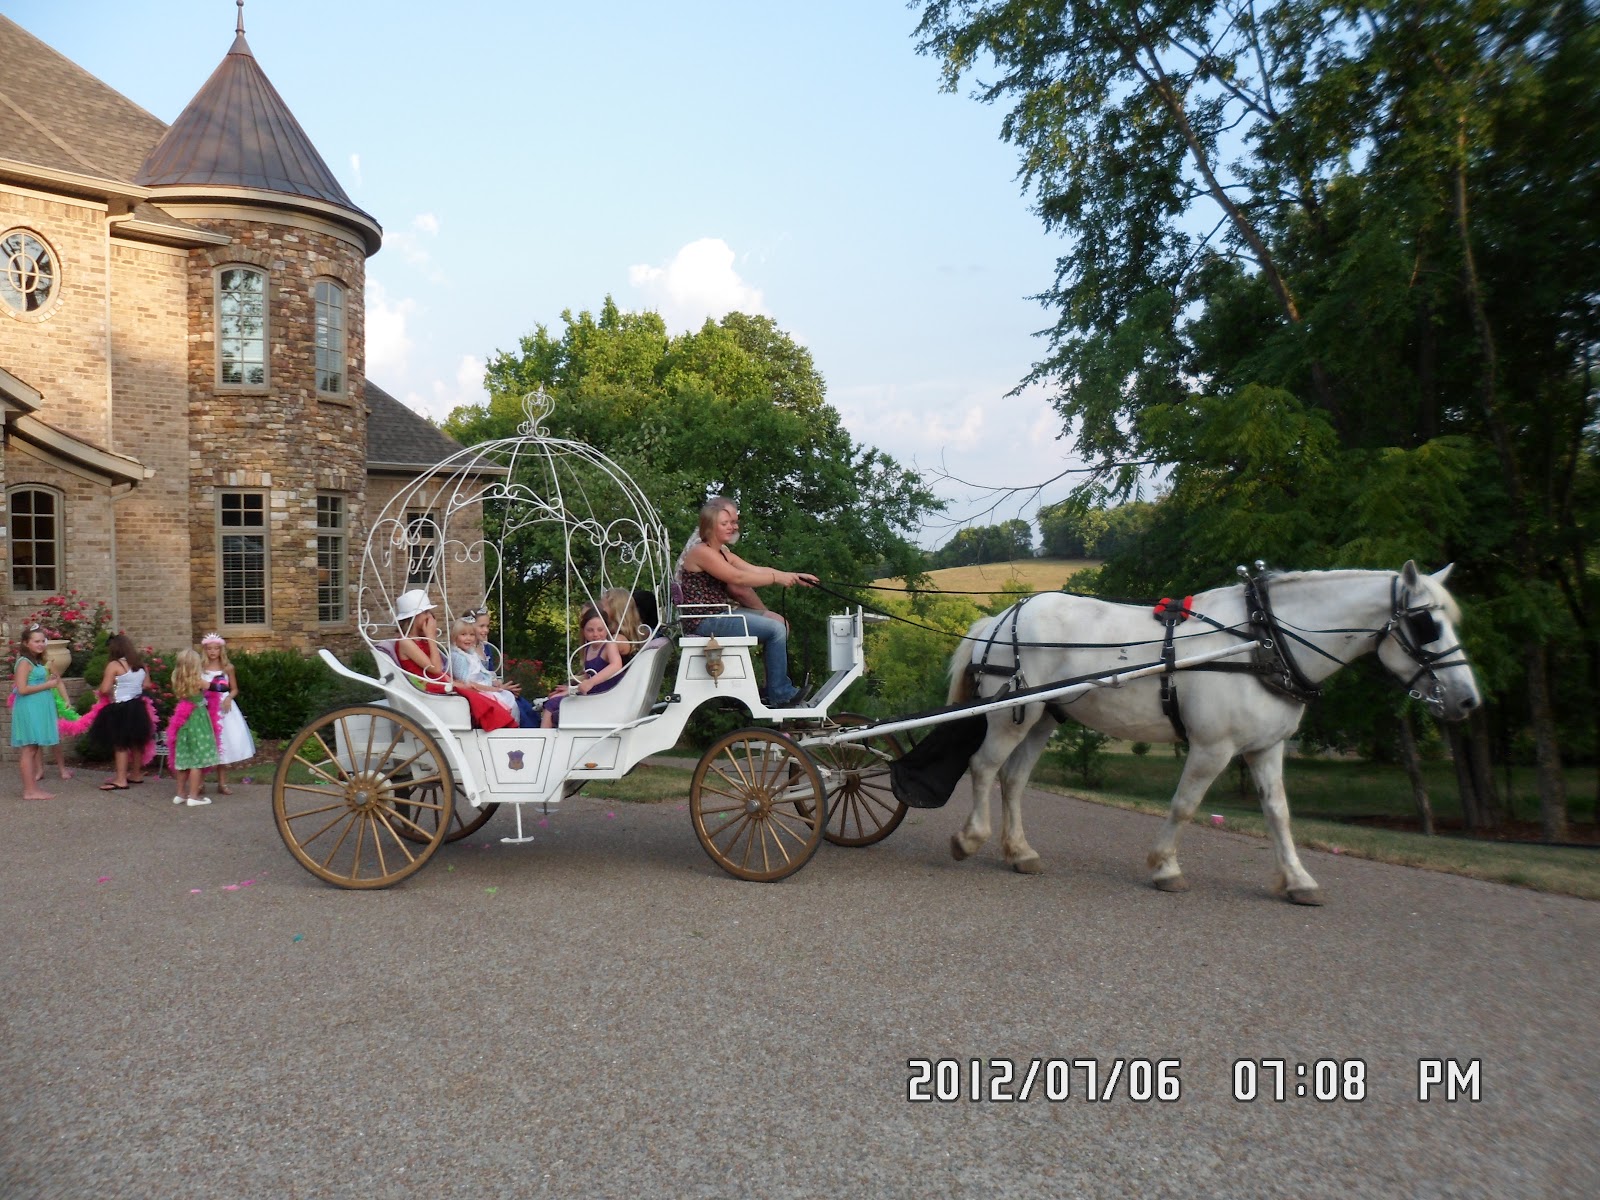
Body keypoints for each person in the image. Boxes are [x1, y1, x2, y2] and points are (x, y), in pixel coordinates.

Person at [673, 496, 816, 706]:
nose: (733, 527)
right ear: (710, 527)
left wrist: (793, 575)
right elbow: (738, 578)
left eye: (733, 523)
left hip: (718, 614)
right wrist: (776, 579)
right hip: (705, 620)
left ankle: (771, 689)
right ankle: (780, 693)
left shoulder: (720, 552)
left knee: (779, 624)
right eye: (725, 523)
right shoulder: (702, 552)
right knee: (775, 630)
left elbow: (754, 570)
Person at [392, 589, 514, 732]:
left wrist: (454, 681)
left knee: (477, 691)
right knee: (477, 697)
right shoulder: (406, 642)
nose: (430, 617)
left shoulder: (420, 640)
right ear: (414, 617)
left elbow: (438, 672)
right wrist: (431, 637)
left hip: (438, 681)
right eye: (426, 612)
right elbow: (435, 669)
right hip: (427, 686)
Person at [86, 633, 154, 790]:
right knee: (136, 741)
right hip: (138, 706)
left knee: (120, 743)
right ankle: (136, 774)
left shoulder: (114, 665)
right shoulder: (141, 665)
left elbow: (104, 689)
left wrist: (113, 690)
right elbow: (147, 685)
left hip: (121, 707)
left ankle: (121, 779)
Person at [541, 604, 625, 728]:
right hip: (591, 694)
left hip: (607, 695)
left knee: (552, 705)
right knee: (552, 702)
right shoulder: (587, 649)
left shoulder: (609, 645)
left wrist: (591, 682)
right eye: (590, 630)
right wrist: (569, 690)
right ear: (584, 631)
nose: (595, 634)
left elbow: (616, 665)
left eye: (600, 630)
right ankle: (545, 734)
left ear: (607, 629)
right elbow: (588, 674)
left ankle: (545, 736)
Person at [12, 624, 62, 800]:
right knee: (29, 749)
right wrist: (47, 685)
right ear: (26, 643)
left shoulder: (35, 661)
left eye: (42, 641)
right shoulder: (24, 662)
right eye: (36, 641)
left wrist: (49, 680)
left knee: (33, 748)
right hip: (29, 708)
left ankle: (33, 788)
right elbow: (22, 689)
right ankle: (29, 791)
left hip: (37, 707)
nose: (41, 644)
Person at [199, 634, 254, 795]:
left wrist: (229, 698)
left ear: (221, 650)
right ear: (205, 650)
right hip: (206, 706)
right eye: (209, 649)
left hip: (223, 707)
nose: (213, 652)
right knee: (205, 743)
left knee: (223, 743)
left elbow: (234, 689)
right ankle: (200, 783)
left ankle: (222, 783)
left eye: (216, 649)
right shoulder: (200, 667)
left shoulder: (227, 668)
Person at [165, 649, 217, 807]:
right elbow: (216, 688)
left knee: (184, 759)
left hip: (183, 721)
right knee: (197, 760)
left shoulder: (177, 679)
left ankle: (180, 793)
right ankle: (193, 796)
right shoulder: (198, 681)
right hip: (197, 719)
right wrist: (220, 681)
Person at [447, 616, 519, 720]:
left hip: (482, 686)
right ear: (455, 637)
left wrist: (494, 682)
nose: (468, 638)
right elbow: (466, 683)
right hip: (475, 691)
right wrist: (493, 689)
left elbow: (483, 672)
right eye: (463, 634)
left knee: (509, 697)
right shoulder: (458, 657)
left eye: (472, 634)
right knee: (503, 700)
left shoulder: (471, 654)